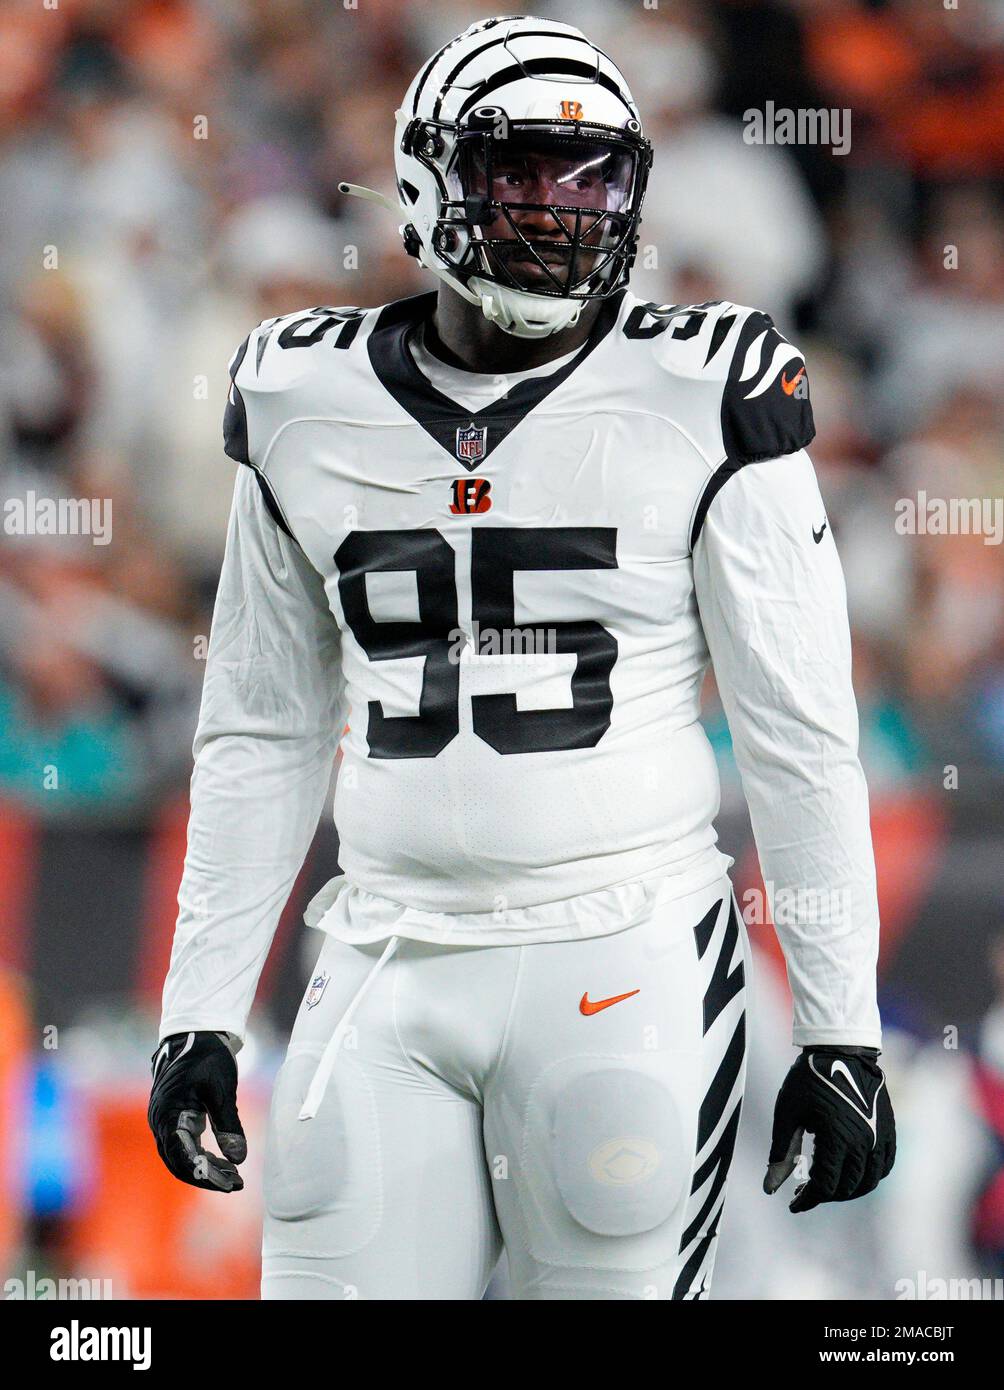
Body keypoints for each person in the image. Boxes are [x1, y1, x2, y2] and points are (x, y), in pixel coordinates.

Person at [148, 16, 894, 1301]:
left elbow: (798, 731)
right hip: (381, 946)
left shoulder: (704, 389)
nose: (559, 211)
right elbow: (262, 726)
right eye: (522, 171)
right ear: (426, 177)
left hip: (626, 945)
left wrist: (839, 1027)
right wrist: (198, 1005)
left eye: (590, 176)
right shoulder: (298, 398)